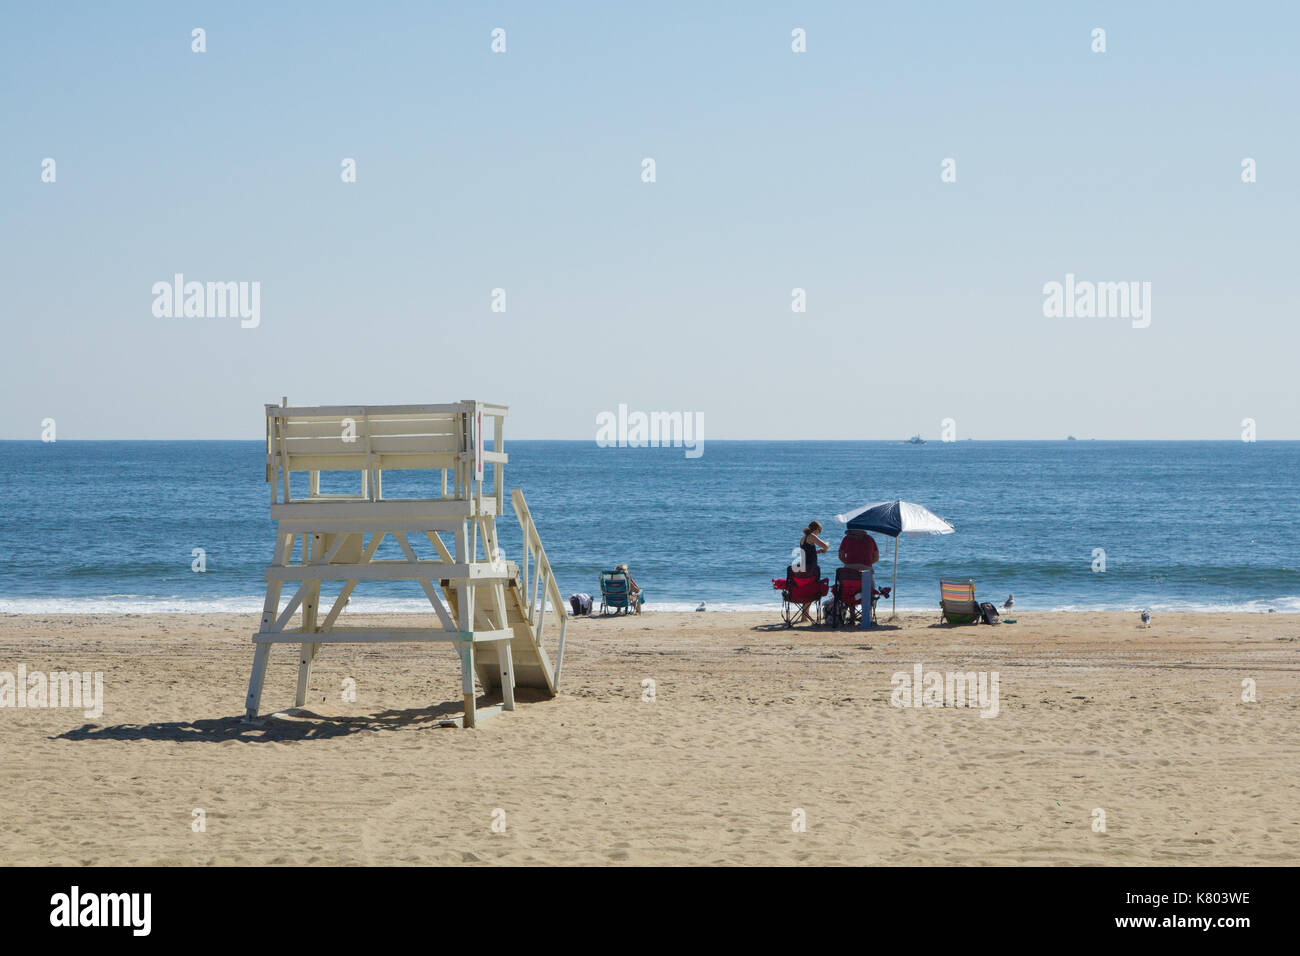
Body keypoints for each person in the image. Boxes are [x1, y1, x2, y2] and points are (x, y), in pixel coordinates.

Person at [794, 521, 829, 623]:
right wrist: (826, 545)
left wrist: (818, 552)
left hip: (804, 568)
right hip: (811, 569)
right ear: (816, 529)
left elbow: (807, 554)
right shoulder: (812, 536)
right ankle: (804, 617)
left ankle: (804, 616)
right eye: (819, 531)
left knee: (806, 590)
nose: (819, 533)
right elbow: (825, 546)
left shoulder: (802, 539)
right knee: (810, 590)